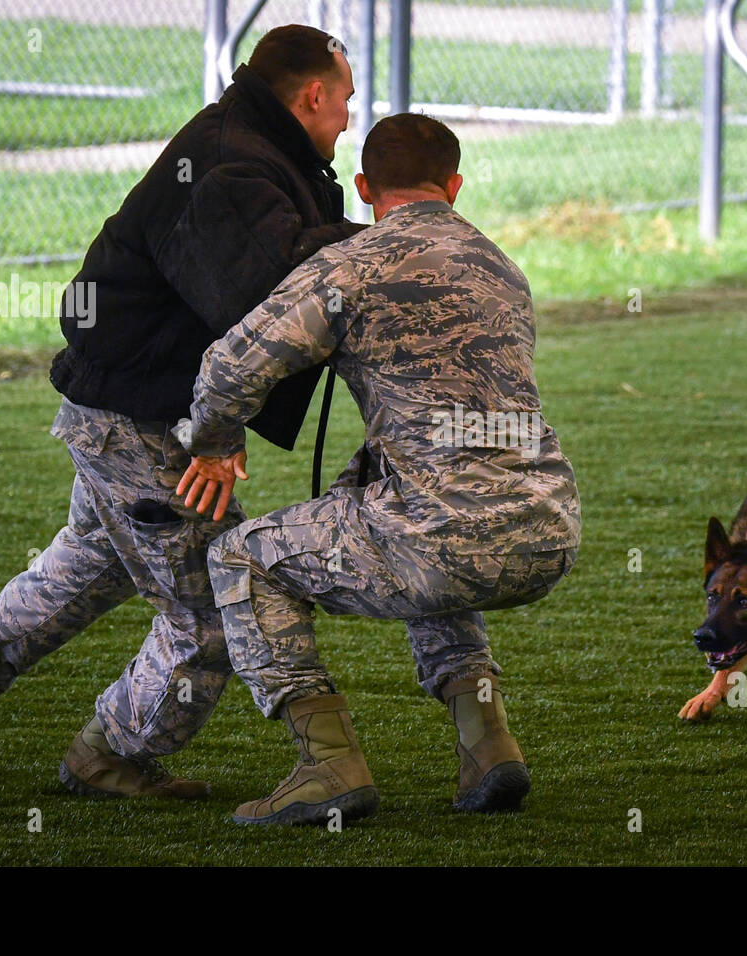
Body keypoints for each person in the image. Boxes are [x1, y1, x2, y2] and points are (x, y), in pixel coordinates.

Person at [0, 24, 363, 799]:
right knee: (216, 615)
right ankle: (108, 755)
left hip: (124, 401)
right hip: (141, 417)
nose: (349, 117)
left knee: (88, 566)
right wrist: (386, 247)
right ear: (313, 95)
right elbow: (266, 299)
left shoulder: (249, 144)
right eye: (345, 99)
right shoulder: (232, 165)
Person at [173, 113, 582, 825]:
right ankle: (489, 748)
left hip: (441, 536)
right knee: (424, 524)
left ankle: (328, 765)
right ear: (454, 186)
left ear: (362, 188)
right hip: (548, 528)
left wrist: (212, 441)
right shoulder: (503, 269)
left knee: (240, 557)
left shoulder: (350, 265)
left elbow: (231, 366)